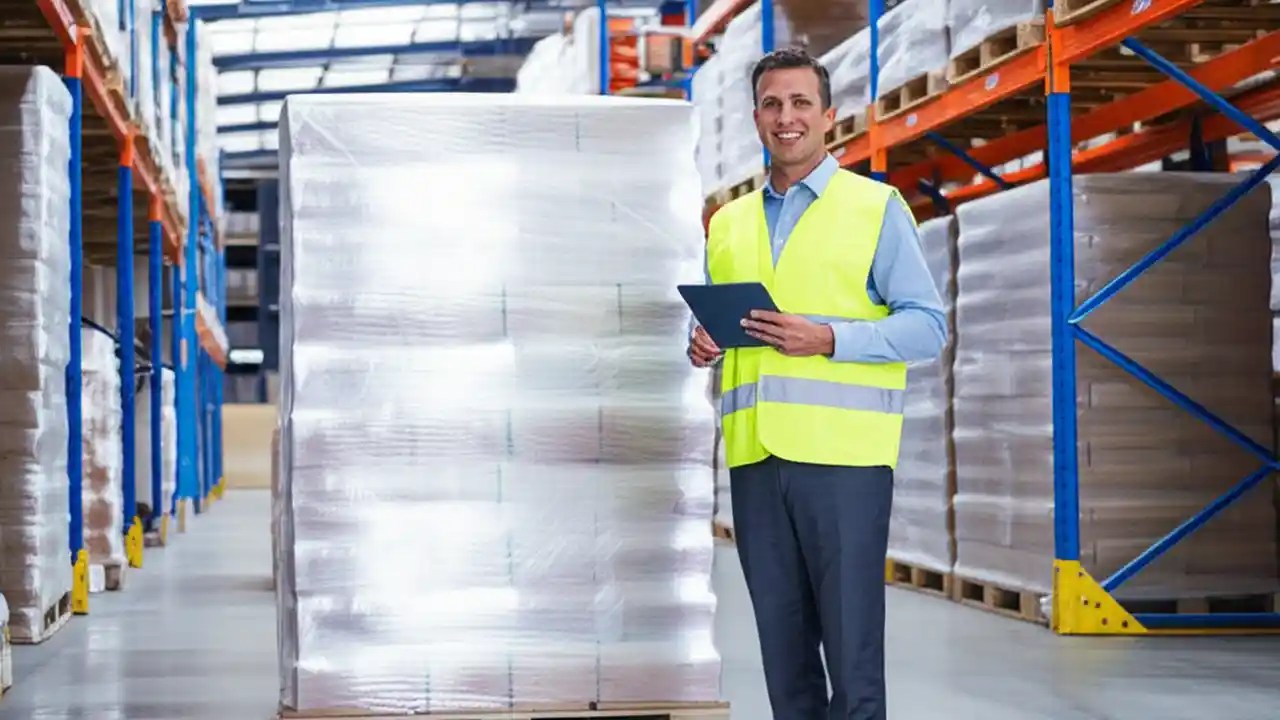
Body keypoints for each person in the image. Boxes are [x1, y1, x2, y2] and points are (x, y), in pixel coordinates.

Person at [688, 48, 947, 720]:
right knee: (785, 663)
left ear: (829, 116)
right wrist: (705, 344)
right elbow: (730, 331)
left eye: (801, 103)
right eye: (772, 104)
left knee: (853, 663)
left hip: (846, 466)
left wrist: (830, 337)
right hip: (754, 463)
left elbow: (928, 327)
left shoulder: (875, 208)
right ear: (755, 118)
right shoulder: (729, 224)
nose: (787, 117)